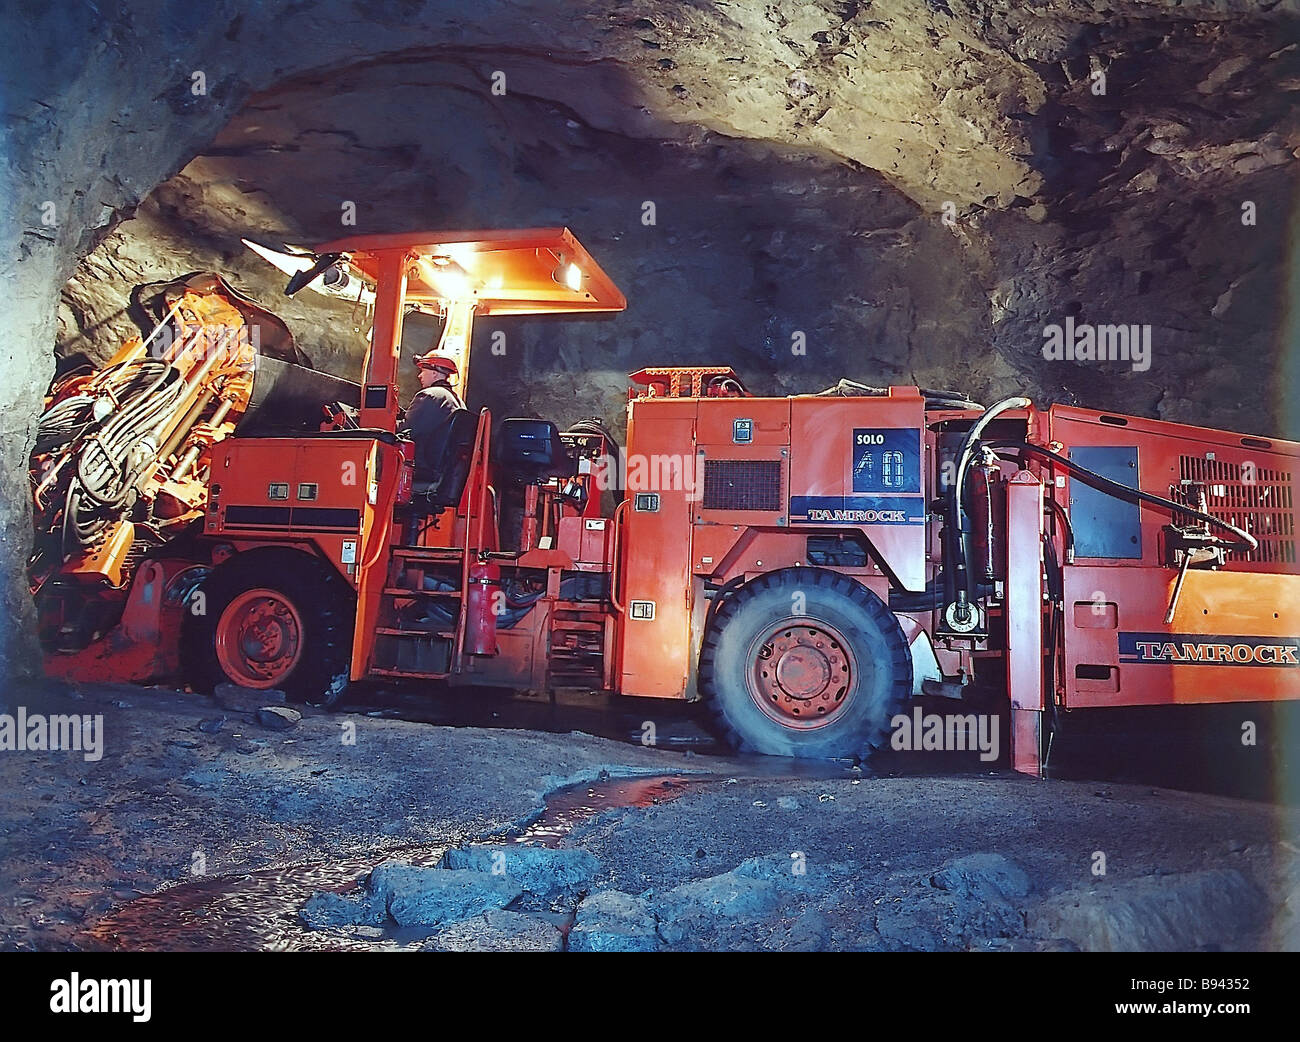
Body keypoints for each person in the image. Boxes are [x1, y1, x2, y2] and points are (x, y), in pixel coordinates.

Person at [399, 352, 464, 483]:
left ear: (434, 373)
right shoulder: (458, 402)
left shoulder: (430, 395)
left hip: (424, 469)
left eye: (423, 370)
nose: (419, 375)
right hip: (444, 474)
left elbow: (405, 431)